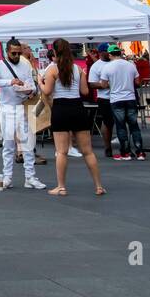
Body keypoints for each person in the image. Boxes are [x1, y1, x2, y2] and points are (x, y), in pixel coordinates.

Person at [40, 39, 104, 197]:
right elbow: (84, 92)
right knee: (88, 151)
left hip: (61, 108)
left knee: (61, 151)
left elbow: (47, 91)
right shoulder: (78, 69)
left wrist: (39, 82)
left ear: (54, 52)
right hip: (77, 108)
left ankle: (61, 187)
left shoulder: (52, 70)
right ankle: (98, 186)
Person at [0, 39, 46, 191]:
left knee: (28, 143)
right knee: (8, 144)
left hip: (22, 107)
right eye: (13, 53)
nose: (16, 56)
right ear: (7, 52)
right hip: (7, 108)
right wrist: (10, 82)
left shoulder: (24, 65)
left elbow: (32, 85)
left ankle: (30, 177)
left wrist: (29, 90)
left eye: (19, 53)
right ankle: (7, 177)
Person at [96, 44, 144, 161]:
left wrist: (111, 84)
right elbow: (138, 82)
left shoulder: (107, 67)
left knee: (121, 126)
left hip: (116, 99)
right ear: (120, 53)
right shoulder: (131, 65)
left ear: (110, 54)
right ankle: (140, 152)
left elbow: (103, 84)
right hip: (130, 98)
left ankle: (125, 153)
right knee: (134, 126)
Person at [86, 47, 114, 155]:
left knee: (122, 122)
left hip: (119, 98)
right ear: (102, 53)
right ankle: (108, 147)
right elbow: (92, 84)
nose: (110, 53)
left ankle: (125, 147)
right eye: (108, 51)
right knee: (107, 122)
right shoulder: (96, 66)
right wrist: (104, 84)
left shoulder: (115, 62)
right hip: (105, 98)